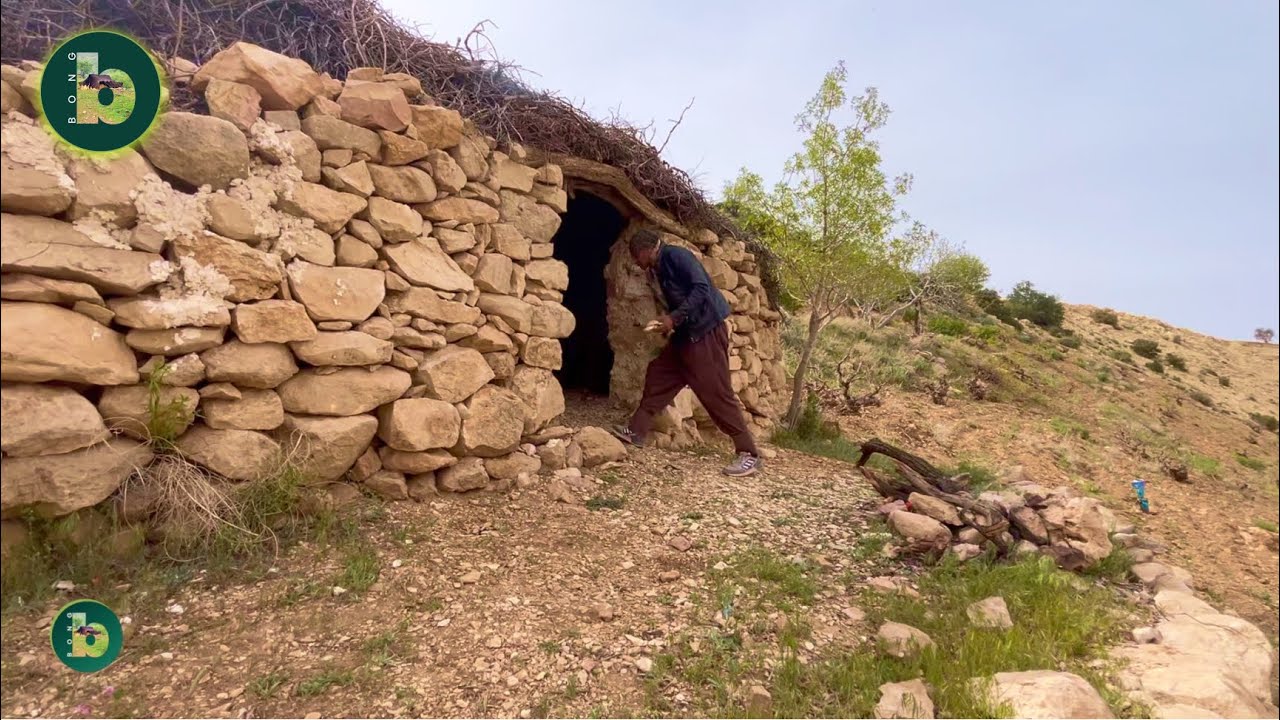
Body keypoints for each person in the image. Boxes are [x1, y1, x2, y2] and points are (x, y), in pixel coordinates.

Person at [610, 228, 762, 477]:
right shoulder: (656, 269)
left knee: (716, 392)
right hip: (686, 336)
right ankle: (636, 431)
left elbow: (701, 289)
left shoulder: (676, 256)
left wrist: (673, 318)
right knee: (659, 373)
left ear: (646, 250)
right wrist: (668, 324)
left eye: (636, 256)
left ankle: (749, 454)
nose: (636, 261)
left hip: (705, 333)